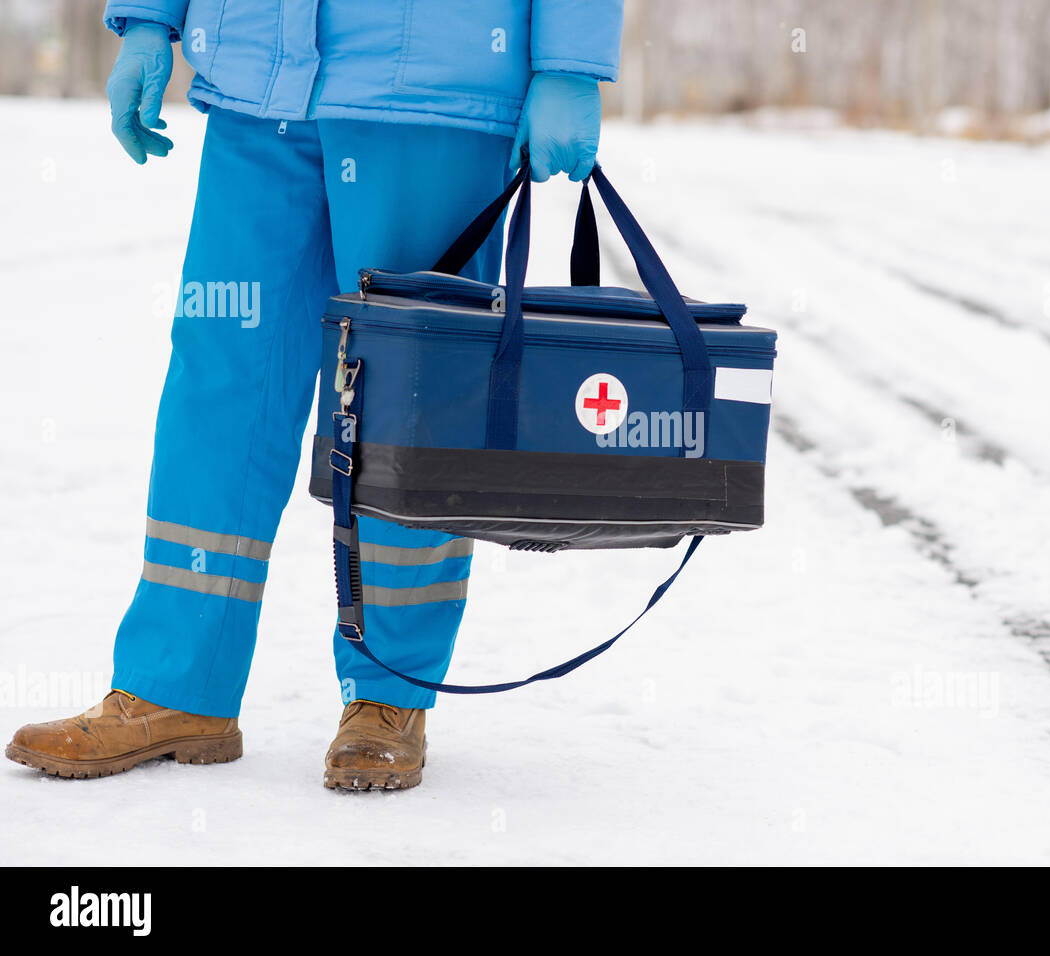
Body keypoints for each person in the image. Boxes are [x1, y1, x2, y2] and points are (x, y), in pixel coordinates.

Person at [5, 0, 624, 791]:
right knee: (220, 377)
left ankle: (388, 695)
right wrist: (149, 18)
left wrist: (571, 56)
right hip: (259, 80)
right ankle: (174, 686)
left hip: (431, 84)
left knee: (408, 395)